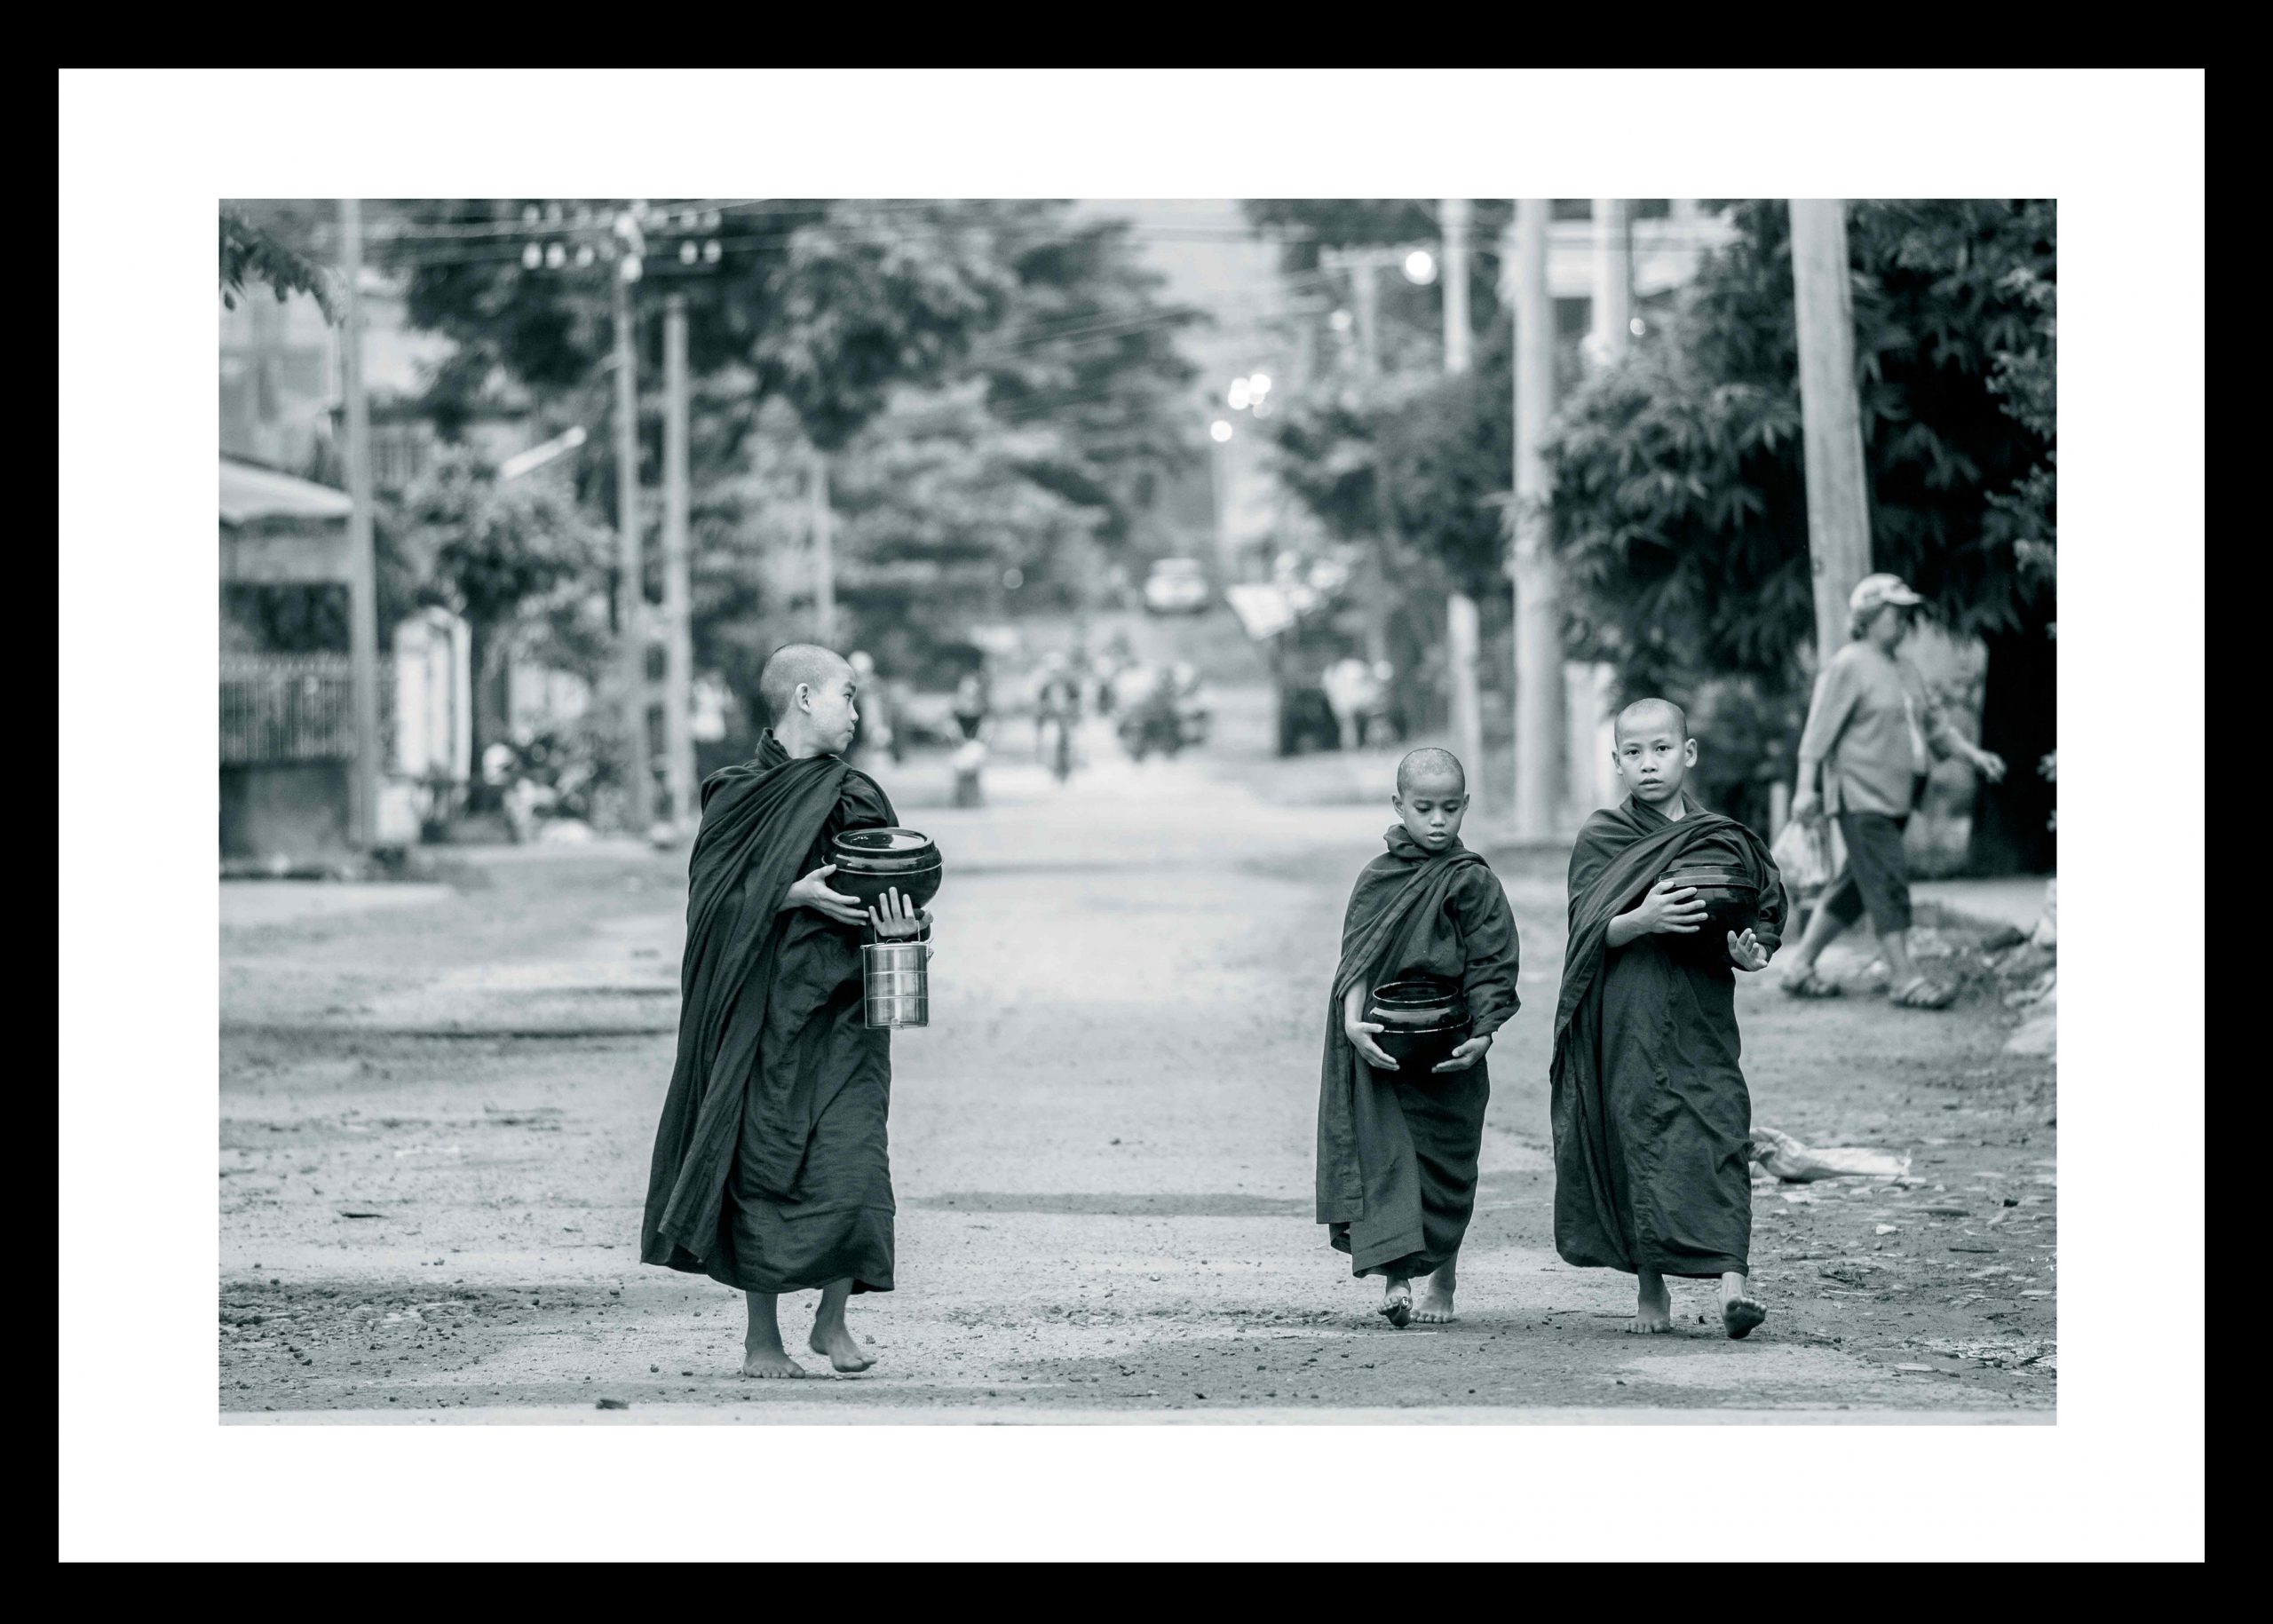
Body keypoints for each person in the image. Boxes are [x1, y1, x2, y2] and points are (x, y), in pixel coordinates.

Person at [640, 644, 934, 1378]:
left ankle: (832, 1322)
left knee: (854, 1160)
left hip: (843, 1014)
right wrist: (789, 892)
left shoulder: (857, 794)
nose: (858, 714)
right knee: (761, 1163)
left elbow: (895, 895)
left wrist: (906, 932)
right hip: (762, 1015)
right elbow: (709, 907)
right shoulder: (735, 796)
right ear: (803, 697)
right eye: (848, 696)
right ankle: (761, 1340)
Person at [1549, 699, 1783, 1339]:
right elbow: (1587, 930)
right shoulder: (1603, 835)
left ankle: (1735, 1282)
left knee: (1721, 1126)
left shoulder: (1723, 837)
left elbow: (1763, 901)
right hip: (1630, 1010)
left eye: (1660, 748)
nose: (1648, 763)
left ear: (1688, 753)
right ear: (1617, 761)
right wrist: (1641, 920)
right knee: (1641, 1134)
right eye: (1634, 752)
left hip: (1702, 1010)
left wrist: (1753, 951)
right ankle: (1651, 1287)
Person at [1318, 748, 1522, 1328]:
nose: (1437, 821)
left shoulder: (1473, 880)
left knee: (1446, 1166)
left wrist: (1484, 1032)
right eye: (1424, 808)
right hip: (1384, 1043)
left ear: (1465, 807)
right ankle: (1399, 1279)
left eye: (1450, 809)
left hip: (1450, 1045)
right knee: (1391, 1160)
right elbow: (1355, 960)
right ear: (1398, 805)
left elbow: (1493, 960)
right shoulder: (1378, 879)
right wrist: (1353, 1023)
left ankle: (1444, 1277)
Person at [1777, 574, 2008, 1009]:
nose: (1903, 621)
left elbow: (1937, 729)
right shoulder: (1848, 664)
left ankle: (1800, 965)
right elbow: (1818, 732)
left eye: (1906, 614)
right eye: (1894, 613)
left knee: (1857, 887)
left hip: (1897, 798)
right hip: (1860, 797)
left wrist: (1974, 756)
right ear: (1866, 618)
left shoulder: (1906, 669)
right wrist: (1805, 789)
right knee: (1887, 881)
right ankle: (1904, 978)